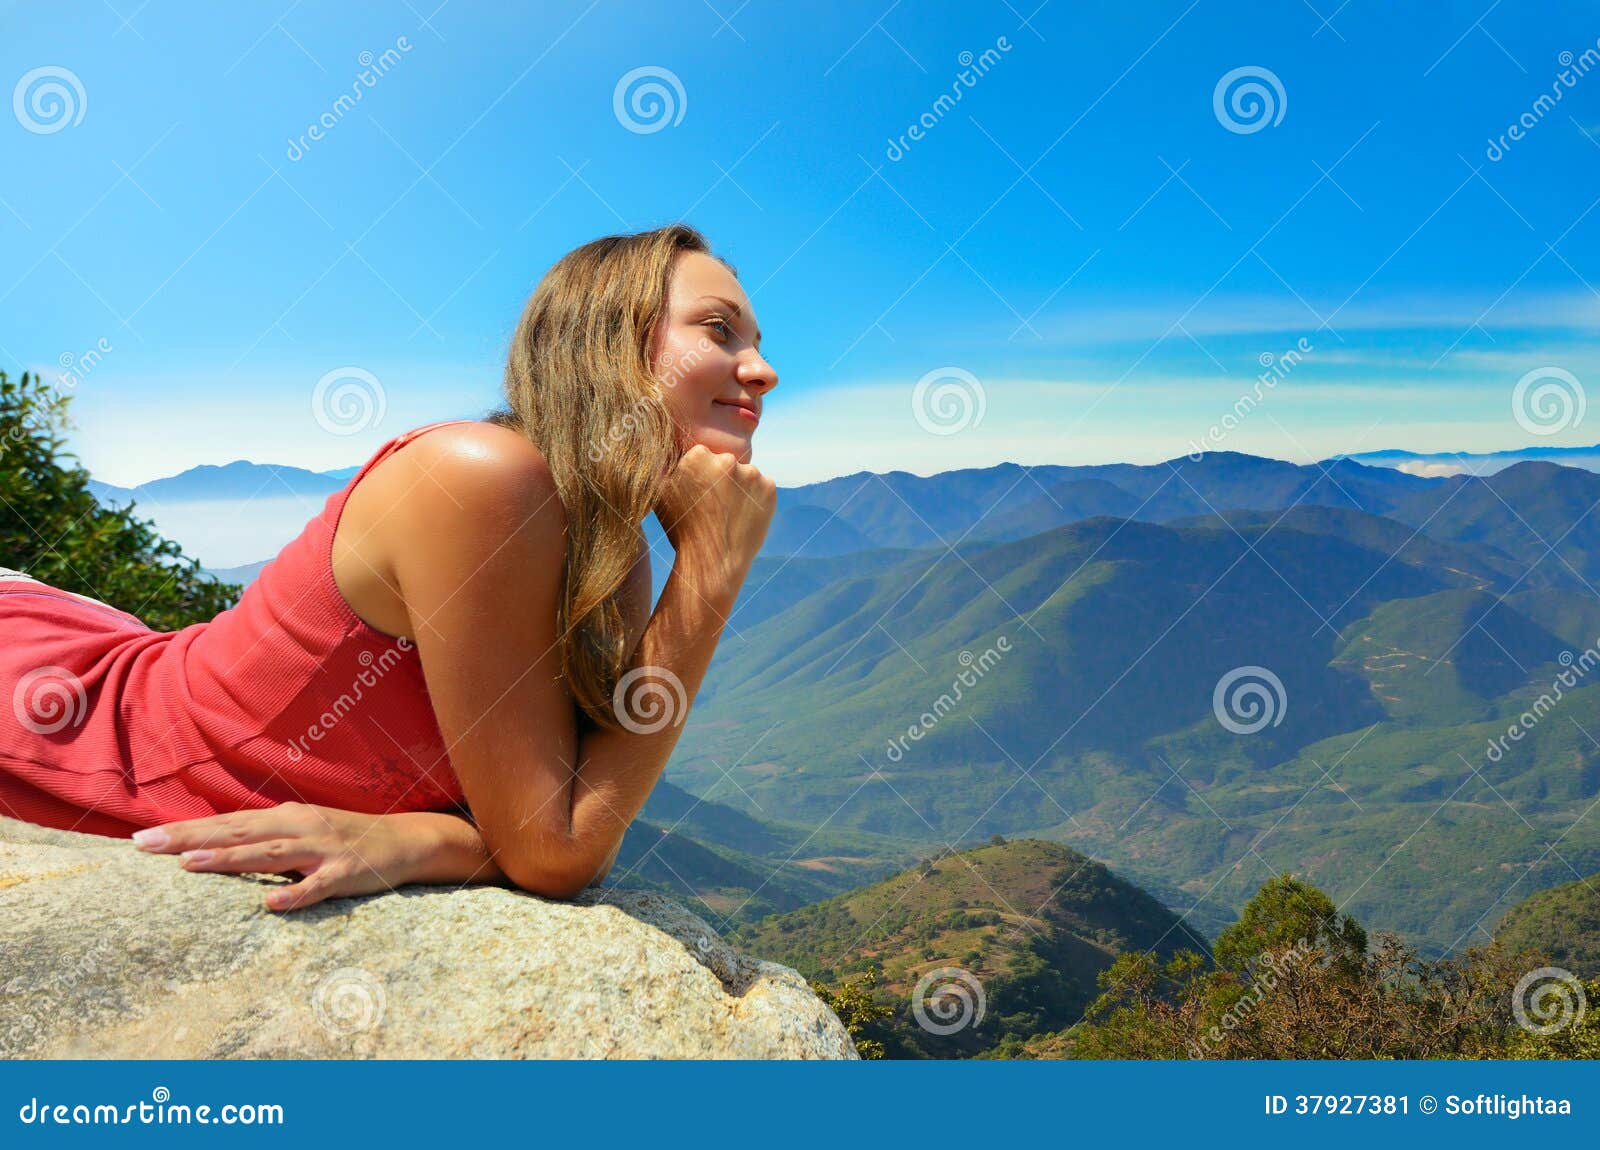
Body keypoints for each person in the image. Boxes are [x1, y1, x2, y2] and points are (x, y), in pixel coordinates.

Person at [0, 223, 778, 912]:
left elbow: (570, 829)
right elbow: (554, 852)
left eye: (759, 344)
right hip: (81, 733)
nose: (762, 371)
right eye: (720, 331)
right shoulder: (481, 477)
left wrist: (421, 842)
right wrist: (710, 568)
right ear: (607, 343)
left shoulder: (613, 550)